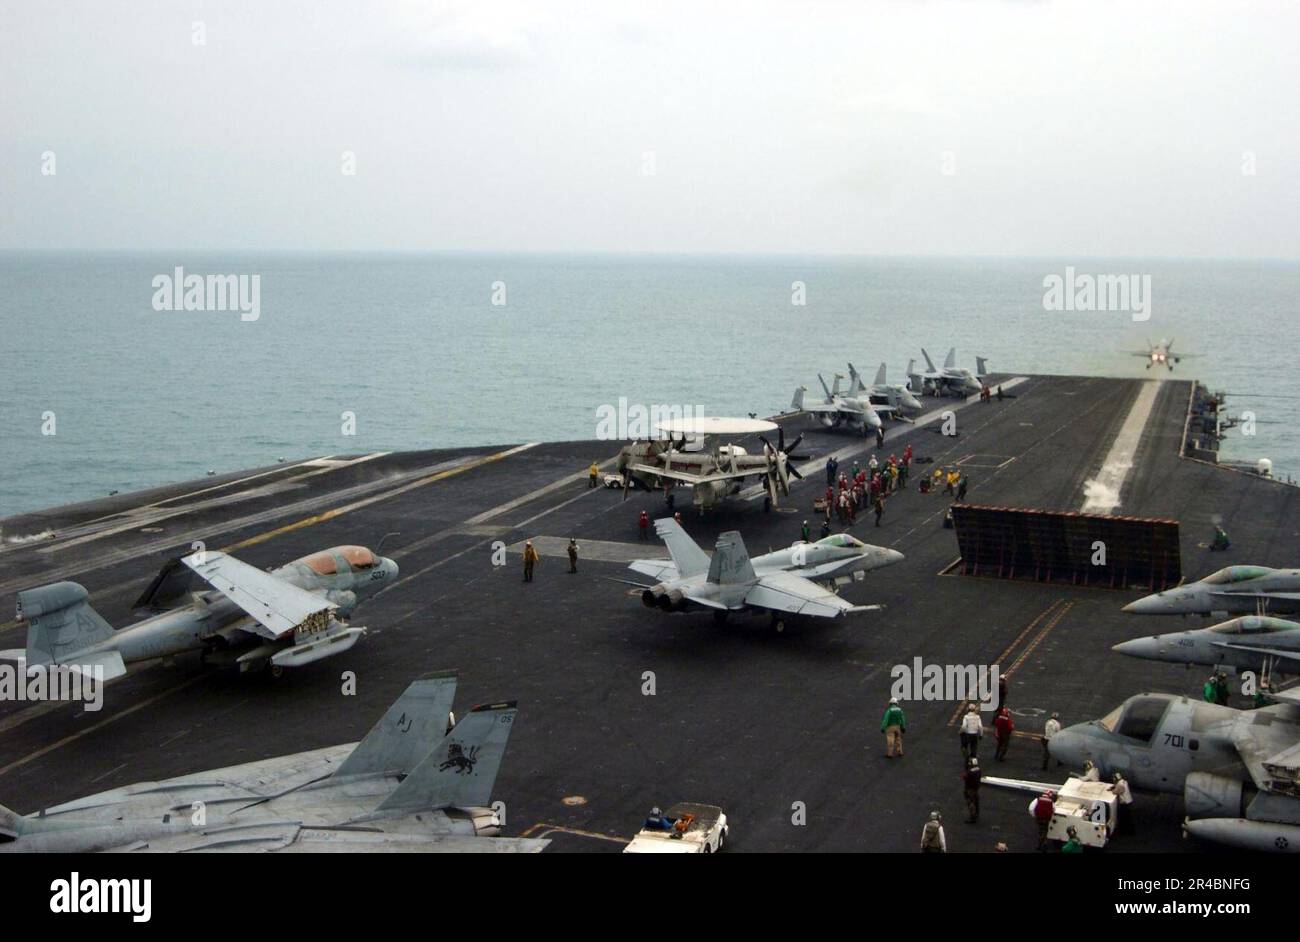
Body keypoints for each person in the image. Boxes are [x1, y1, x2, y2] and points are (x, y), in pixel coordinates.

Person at [962, 758, 982, 824]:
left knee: (970, 802)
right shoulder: (979, 770)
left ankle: (972, 817)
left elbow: (964, 777)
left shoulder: (970, 772)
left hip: (970, 789)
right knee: (976, 801)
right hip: (976, 788)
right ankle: (977, 814)